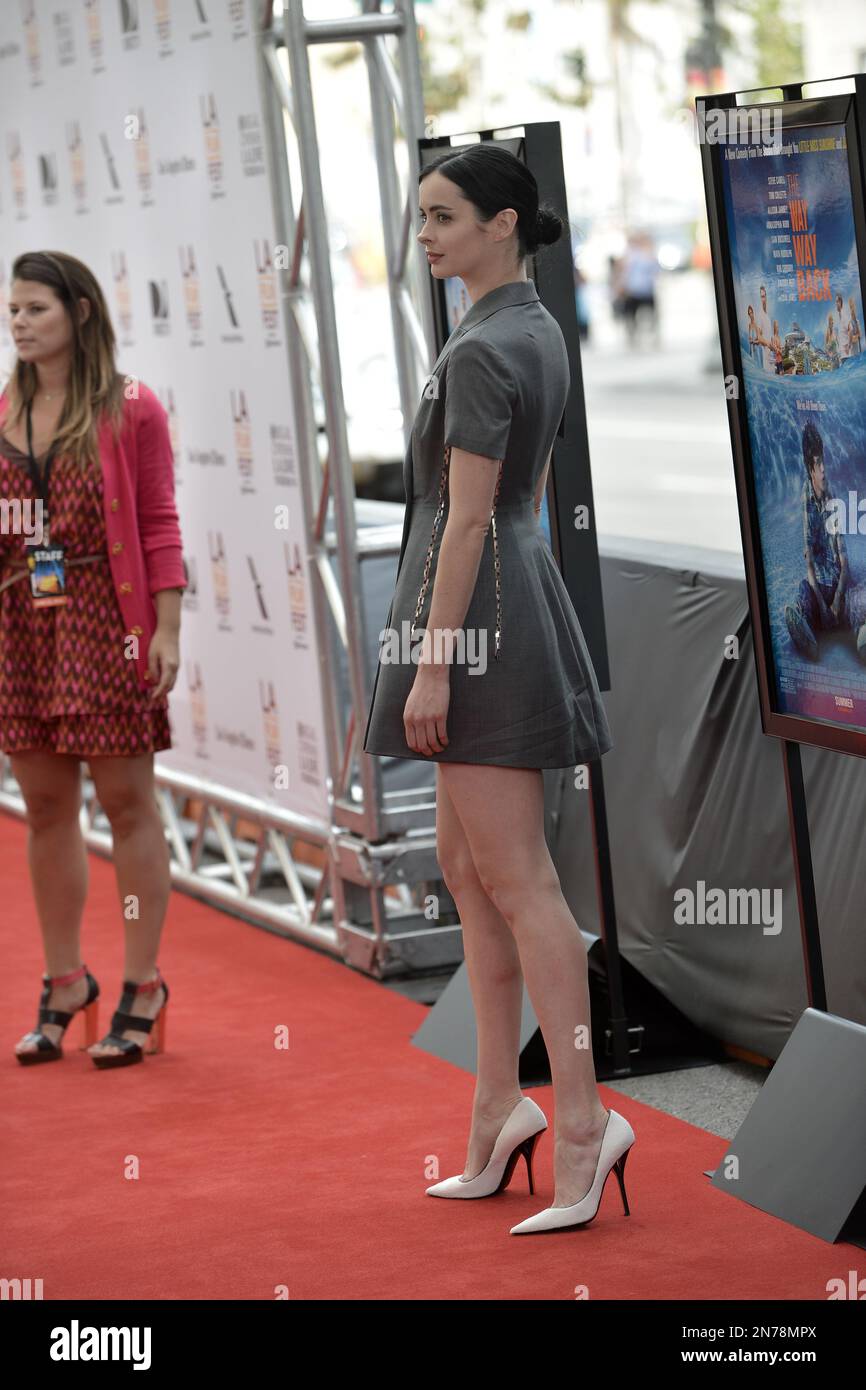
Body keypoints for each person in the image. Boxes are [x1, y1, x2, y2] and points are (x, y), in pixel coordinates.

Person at [362, 144, 634, 1235]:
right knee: (468, 871)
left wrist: (432, 664)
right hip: (483, 599)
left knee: (517, 885)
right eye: (418, 217)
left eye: (441, 217)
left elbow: (468, 517)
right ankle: (496, 1105)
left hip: (478, 619)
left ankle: (580, 1122)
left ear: (502, 222)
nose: (423, 236)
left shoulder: (485, 347)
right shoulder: (518, 326)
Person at [4, 251, 186, 1069]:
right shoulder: (5, 406)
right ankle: (65, 979)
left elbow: (156, 521)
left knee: (125, 800)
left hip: (105, 617)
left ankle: (142, 983)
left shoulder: (130, 406)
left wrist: (167, 627)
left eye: (35, 308)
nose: (18, 322)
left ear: (78, 313)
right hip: (21, 622)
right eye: (12, 309)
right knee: (44, 805)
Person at [784, 418, 866, 661]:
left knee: (857, 595)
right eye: (818, 464)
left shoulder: (833, 499)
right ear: (810, 469)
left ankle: (862, 631)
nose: (824, 470)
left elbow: (844, 560)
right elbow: (809, 564)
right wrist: (821, 605)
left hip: (839, 586)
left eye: (823, 462)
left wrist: (838, 599)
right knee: (803, 592)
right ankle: (805, 633)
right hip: (818, 588)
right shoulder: (807, 501)